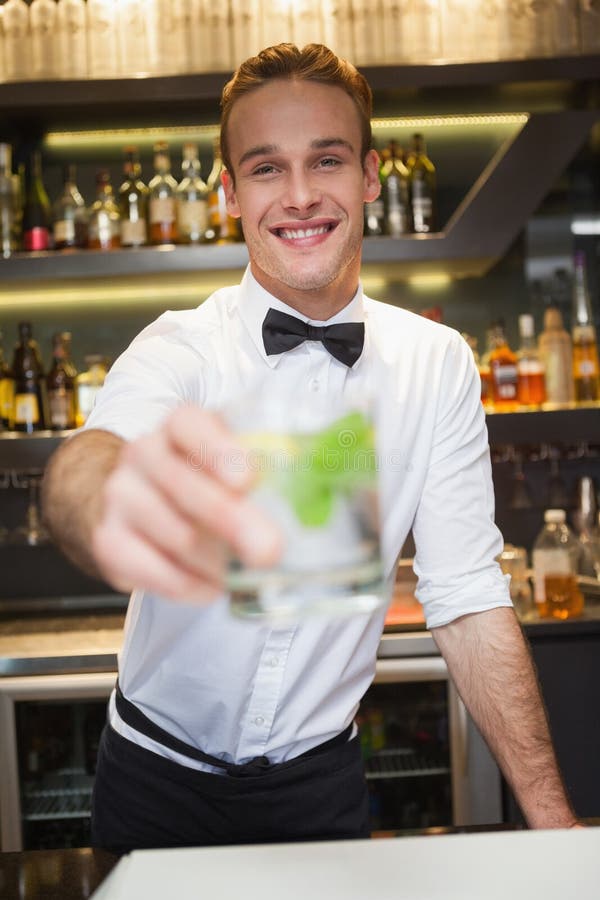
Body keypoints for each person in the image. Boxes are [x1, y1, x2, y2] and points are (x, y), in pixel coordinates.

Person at [42, 43, 578, 854]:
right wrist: (118, 503)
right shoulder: (182, 346)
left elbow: (467, 595)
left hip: (320, 788)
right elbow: (94, 463)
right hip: (154, 786)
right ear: (228, 192)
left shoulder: (438, 366)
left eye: (325, 161)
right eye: (265, 169)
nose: (299, 197)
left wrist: (557, 835)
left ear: (368, 177)